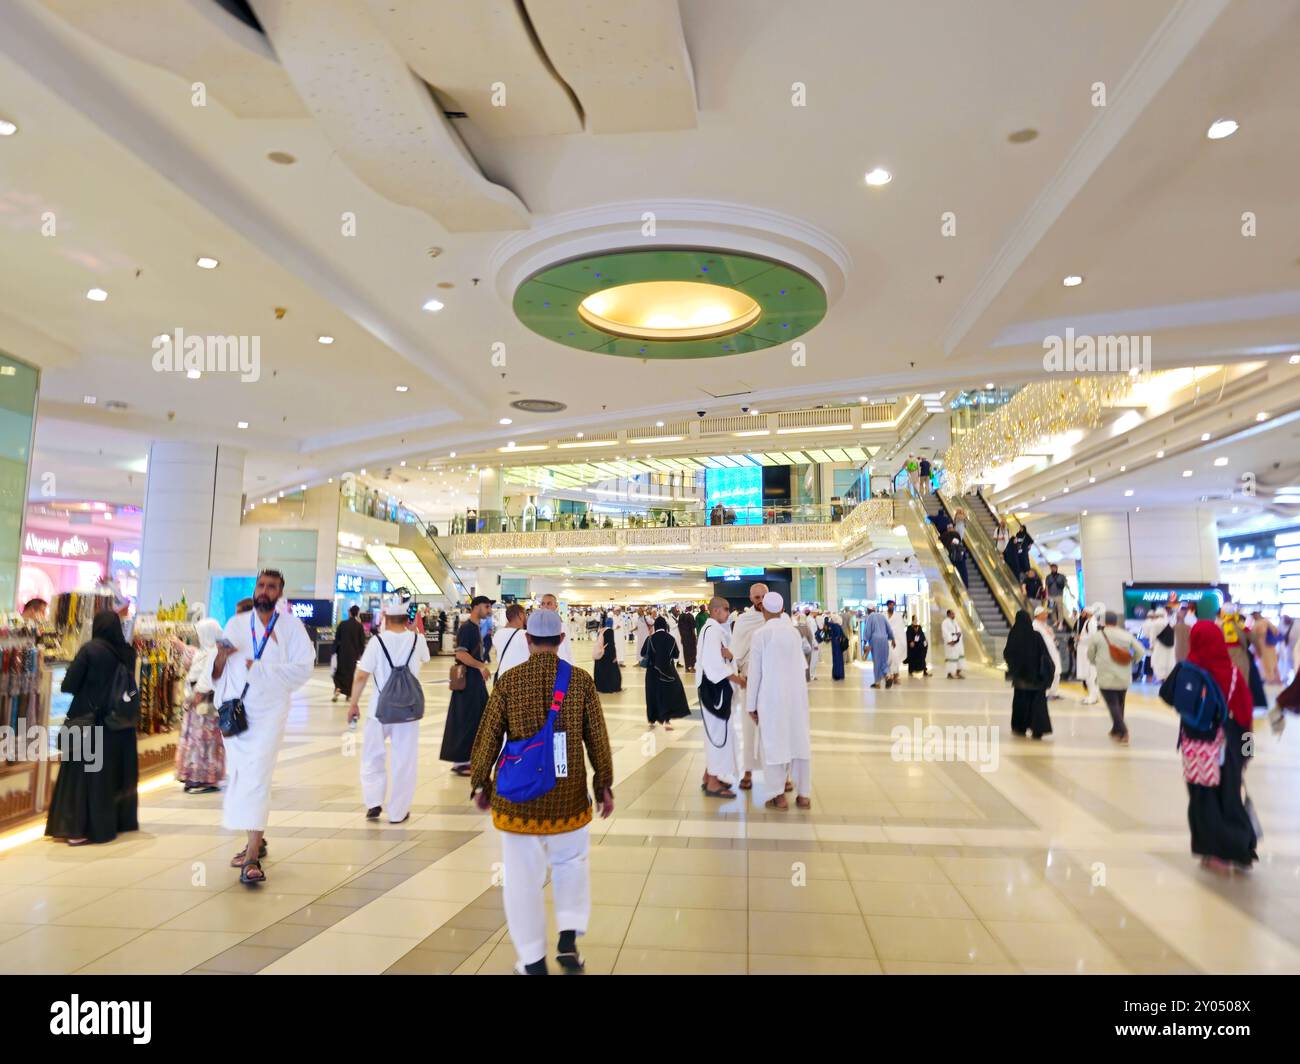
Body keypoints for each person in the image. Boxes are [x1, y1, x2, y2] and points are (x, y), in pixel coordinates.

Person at [470, 609, 614, 975]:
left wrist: (480, 783)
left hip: (519, 801)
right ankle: (568, 940)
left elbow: (487, 735)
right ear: (563, 639)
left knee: (521, 879)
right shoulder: (579, 681)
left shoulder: (509, 681)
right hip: (568, 798)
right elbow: (597, 738)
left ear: (527, 640)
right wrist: (603, 785)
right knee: (571, 865)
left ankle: (533, 960)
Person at [209, 569, 315, 884]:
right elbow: (218, 673)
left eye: (271, 587)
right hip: (237, 710)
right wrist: (220, 656)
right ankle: (256, 840)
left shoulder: (292, 627)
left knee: (257, 777)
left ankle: (252, 858)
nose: (264, 591)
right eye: (261, 585)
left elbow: (303, 669)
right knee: (242, 776)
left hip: (269, 712)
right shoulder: (237, 624)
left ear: (279, 594)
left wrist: (262, 670)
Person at [1161, 617, 1257, 873]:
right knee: (1229, 793)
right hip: (1230, 743)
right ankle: (1237, 850)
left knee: (1201, 795)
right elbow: (1246, 714)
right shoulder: (1232, 672)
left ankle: (1210, 850)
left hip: (1196, 744)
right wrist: (1247, 753)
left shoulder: (1186, 670)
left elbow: (1170, 698)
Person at [45, 609, 140, 845]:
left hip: (88, 721)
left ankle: (78, 829)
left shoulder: (90, 649)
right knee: (106, 777)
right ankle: (112, 824)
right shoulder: (127, 652)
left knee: (81, 777)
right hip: (118, 725)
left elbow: (68, 684)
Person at [349, 594, 430, 824]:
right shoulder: (417, 640)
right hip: (408, 711)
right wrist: (415, 631)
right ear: (406, 618)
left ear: (385, 617)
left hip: (379, 709)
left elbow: (362, 675)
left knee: (372, 756)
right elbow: (425, 658)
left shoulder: (377, 641)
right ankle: (398, 812)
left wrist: (354, 703)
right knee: (404, 760)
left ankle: (374, 802)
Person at [746, 591, 812, 810]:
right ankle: (804, 795)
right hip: (796, 697)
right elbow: (803, 666)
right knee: (799, 742)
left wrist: (751, 705)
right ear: (782, 610)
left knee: (773, 744)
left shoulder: (760, 634)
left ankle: (779, 796)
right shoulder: (793, 633)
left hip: (771, 698)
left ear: (763, 610)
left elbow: (755, 674)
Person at [440, 595, 493, 777]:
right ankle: (461, 761)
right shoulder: (467, 628)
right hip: (467, 681)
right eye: (486, 607)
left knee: (477, 717)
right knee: (465, 718)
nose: (489, 610)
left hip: (474, 681)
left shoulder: (477, 628)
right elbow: (461, 655)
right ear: (476, 607)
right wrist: (480, 666)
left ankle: (469, 758)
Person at [175, 617, 226, 794]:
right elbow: (191, 655)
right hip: (199, 705)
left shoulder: (213, 653)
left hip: (204, 705)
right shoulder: (205, 652)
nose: (198, 637)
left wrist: (195, 695)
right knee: (199, 742)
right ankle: (196, 776)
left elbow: (207, 678)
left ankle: (203, 778)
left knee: (203, 742)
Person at [697, 597, 740, 797]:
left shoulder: (713, 629)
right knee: (717, 736)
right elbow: (713, 666)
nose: (727, 612)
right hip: (714, 691)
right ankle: (713, 783)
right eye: (725, 609)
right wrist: (740, 681)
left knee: (717, 733)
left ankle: (709, 776)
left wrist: (730, 656)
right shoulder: (712, 631)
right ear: (715, 611)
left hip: (714, 689)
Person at [729, 582, 771, 792]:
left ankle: (783, 775)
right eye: (757, 598)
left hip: (773, 683)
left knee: (775, 728)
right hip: (749, 681)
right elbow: (736, 651)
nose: (761, 601)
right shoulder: (743, 620)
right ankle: (748, 771)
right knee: (749, 729)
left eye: (763, 596)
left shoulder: (780, 618)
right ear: (750, 598)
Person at [1087, 611, 1144, 745]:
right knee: (1120, 704)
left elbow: (1090, 654)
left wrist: (1096, 662)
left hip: (1106, 676)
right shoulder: (1126, 635)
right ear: (1116, 622)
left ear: (1104, 622)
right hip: (1123, 676)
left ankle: (1123, 731)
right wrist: (1133, 660)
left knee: (1112, 704)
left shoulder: (1098, 636)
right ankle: (1116, 730)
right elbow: (1140, 651)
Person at [1004, 610, 1054, 740]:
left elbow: (1007, 653)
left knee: (1021, 702)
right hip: (1037, 678)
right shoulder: (1036, 636)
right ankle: (1038, 729)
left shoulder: (1014, 634)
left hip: (1020, 678)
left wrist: (1015, 667)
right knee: (1037, 704)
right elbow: (1046, 656)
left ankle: (1020, 727)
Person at [644, 617, 690, 730]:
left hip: (652, 672)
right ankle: (667, 720)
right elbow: (676, 655)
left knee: (652, 695)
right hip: (668, 672)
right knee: (667, 695)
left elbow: (642, 652)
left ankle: (652, 719)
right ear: (665, 626)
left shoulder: (650, 638)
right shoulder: (671, 638)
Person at [332, 604, 366, 703]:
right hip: (353, 655)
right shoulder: (359, 626)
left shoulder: (342, 624)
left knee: (339, 672)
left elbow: (337, 639)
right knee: (350, 674)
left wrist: (333, 652)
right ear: (357, 613)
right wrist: (362, 654)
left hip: (341, 653)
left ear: (350, 613)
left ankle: (338, 689)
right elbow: (361, 642)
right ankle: (348, 695)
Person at [493, 603, 530, 678]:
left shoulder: (498, 634)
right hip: (520, 679)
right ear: (520, 615)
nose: (526, 617)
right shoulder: (526, 635)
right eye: (525, 614)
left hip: (502, 678)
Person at [1033, 607, 1062, 699]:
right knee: (1046, 672)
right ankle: (1044, 693)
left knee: (1056, 672)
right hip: (1044, 654)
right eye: (1044, 614)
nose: (1046, 615)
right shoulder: (1035, 625)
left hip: (1053, 652)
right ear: (1038, 615)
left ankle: (1054, 692)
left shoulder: (1045, 625)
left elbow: (1051, 638)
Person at [1076, 603, 1103, 704]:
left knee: (1090, 675)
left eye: (1083, 611)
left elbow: (1092, 637)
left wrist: (1080, 638)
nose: (1082, 613)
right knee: (1088, 675)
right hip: (1084, 650)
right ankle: (1092, 695)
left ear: (1087, 612)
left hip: (1088, 651)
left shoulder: (1091, 622)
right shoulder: (1088, 621)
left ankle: (1093, 697)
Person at [537, 594, 575, 665]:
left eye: (549, 604)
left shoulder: (562, 626)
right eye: (543, 604)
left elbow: (568, 648)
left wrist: (571, 665)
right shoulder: (535, 625)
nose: (545, 606)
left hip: (561, 664)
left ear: (556, 606)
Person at [863, 605, 893, 688]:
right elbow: (889, 628)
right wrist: (892, 638)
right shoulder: (882, 616)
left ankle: (877, 683)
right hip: (884, 640)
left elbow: (867, 631)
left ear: (868, 610)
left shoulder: (869, 617)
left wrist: (865, 642)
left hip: (875, 640)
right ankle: (888, 675)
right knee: (884, 660)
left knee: (877, 661)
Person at [1145, 606, 1176, 683]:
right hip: (1170, 648)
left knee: (1158, 662)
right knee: (1168, 662)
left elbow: (1152, 636)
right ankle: (1167, 679)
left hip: (1159, 646)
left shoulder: (1155, 624)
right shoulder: (1169, 623)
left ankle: (1161, 679)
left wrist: (1151, 646)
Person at [592, 616, 622, 693]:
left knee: (601, 672)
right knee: (612, 673)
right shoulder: (609, 631)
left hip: (600, 655)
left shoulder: (600, 630)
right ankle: (611, 688)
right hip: (607, 655)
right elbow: (611, 645)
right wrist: (614, 656)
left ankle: (600, 687)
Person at [1250, 612, 1279, 683]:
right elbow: (1275, 631)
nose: (1253, 617)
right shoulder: (1266, 621)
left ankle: (1270, 678)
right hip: (1269, 645)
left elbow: (1253, 634)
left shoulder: (1260, 622)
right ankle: (1273, 678)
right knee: (1272, 662)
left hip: (1264, 645)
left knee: (1267, 662)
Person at [885, 600, 906, 683]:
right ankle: (889, 675)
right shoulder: (883, 615)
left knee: (895, 657)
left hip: (897, 641)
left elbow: (900, 628)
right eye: (890, 605)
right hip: (886, 640)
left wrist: (894, 636)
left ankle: (896, 676)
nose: (891, 606)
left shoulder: (898, 616)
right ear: (887, 606)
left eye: (892, 605)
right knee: (888, 658)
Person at [941, 609, 965, 679]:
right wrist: (950, 640)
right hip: (950, 643)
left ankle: (957, 672)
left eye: (954, 614)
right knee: (951, 658)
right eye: (952, 614)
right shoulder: (945, 622)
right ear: (948, 614)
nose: (954, 615)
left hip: (957, 643)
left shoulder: (955, 622)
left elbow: (959, 630)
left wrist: (959, 635)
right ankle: (950, 673)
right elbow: (945, 633)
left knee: (958, 658)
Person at [823, 612, 847, 681]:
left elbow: (826, 621)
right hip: (839, 645)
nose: (831, 620)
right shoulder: (839, 626)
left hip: (835, 645)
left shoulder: (834, 625)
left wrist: (827, 616)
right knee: (840, 660)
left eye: (832, 619)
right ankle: (841, 674)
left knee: (836, 659)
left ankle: (837, 675)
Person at [678, 606, 698, 671]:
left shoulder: (680, 616)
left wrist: (681, 636)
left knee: (686, 652)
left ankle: (687, 667)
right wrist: (695, 637)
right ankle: (692, 666)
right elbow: (692, 628)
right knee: (692, 652)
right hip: (690, 637)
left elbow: (679, 627)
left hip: (684, 637)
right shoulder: (690, 616)